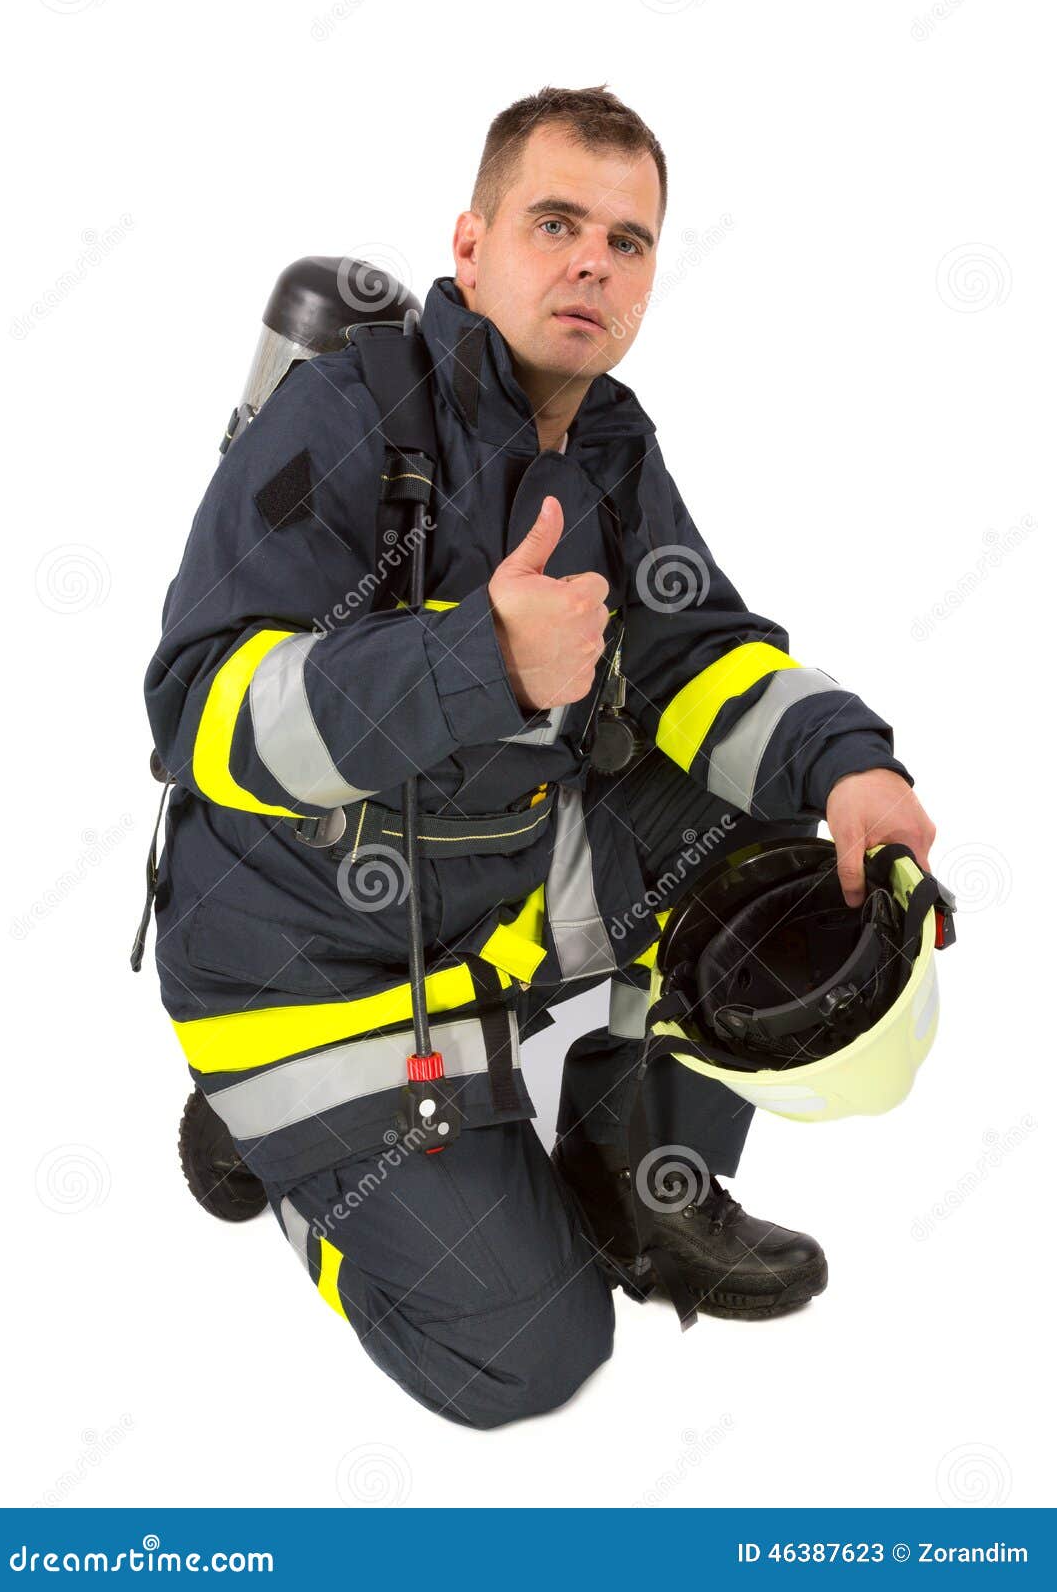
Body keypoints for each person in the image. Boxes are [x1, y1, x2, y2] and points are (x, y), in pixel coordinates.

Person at [143, 84, 936, 1429]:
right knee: (541, 1353)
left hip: (492, 878)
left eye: (627, 240)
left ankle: (643, 1174)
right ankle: (273, 1149)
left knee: (773, 851)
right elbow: (202, 708)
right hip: (306, 961)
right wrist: (482, 658)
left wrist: (849, 763)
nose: (592, 262)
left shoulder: (610, 444)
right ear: (472, 244)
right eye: (557, 222)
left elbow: (702, 659)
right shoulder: (344, 422)